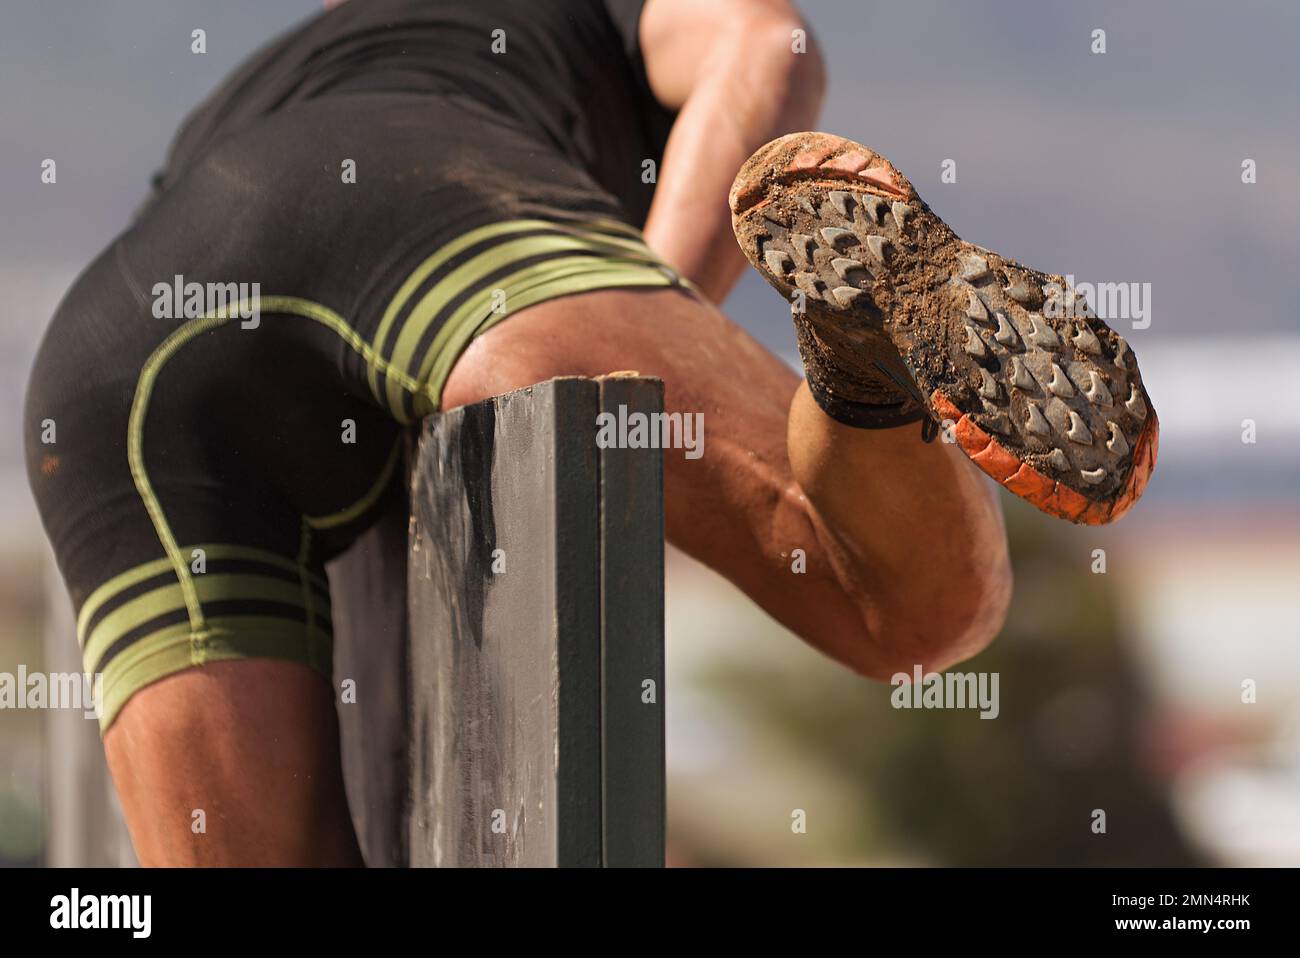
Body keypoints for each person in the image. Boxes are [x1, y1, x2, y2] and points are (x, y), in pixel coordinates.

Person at [24, 0, 1154, 866]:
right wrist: (649, 322)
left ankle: (862, 341)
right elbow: (768, 51)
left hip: (121, 336)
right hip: (435, 210)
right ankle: (864, 366)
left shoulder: (275, 71)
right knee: (918, 609)